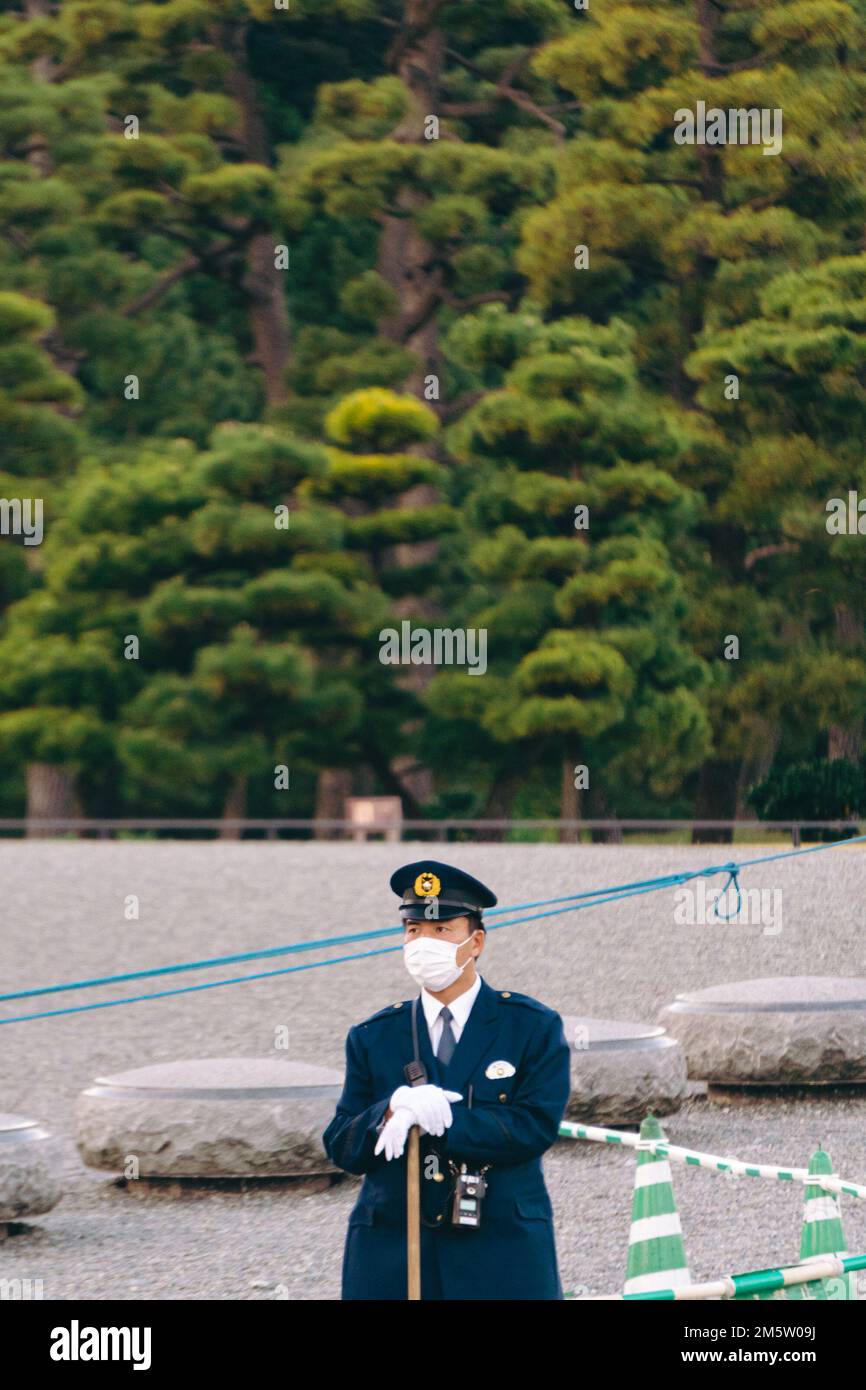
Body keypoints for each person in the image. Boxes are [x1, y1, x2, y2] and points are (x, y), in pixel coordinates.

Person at [323, 860, 571, 1300]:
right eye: (414, 930)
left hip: (499, 1248)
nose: (423, 943)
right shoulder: (374, 1036)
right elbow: (341, 1143)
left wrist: (447, 1122)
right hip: (395, 1251)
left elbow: (535, 1126)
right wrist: (388, 1113)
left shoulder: (530, 1027)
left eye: (441, 931)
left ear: (475, 942)